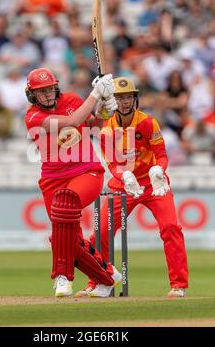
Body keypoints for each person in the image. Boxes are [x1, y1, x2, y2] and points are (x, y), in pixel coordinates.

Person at [76, 76, 188, 298]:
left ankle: (178, 285)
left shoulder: (147, 122)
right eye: (120, 98)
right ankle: (97, 282)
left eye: (128, 97)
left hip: (152, 184)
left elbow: (161, 155)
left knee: (171, 229)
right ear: (113, 100)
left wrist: (159, 171)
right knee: (100, 233)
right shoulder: (107, 128)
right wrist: (124, 175)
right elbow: (111, 162)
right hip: (123, 184)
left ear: (134, 99)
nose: (125, 102)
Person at [24, 68, 121, 297]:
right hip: (52, 179)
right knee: (67, 236)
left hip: (87, 171)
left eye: (50, 89)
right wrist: (96, 93)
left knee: (64, 208)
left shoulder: (72, 100)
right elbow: (72, 121)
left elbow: (91, 125)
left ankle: (62, 277)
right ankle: (106, 276)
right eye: (41, 92)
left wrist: (103, 109)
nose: (47, 95)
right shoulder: (32, 117)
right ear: (32, 95)